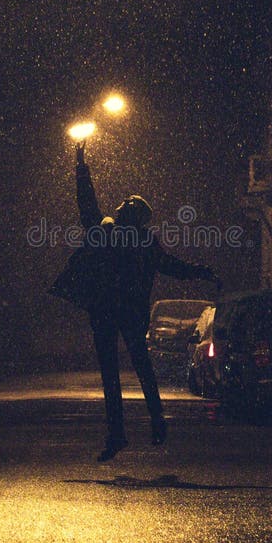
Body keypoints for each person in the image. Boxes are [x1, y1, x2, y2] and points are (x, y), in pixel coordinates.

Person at [73, 140, 218, 461]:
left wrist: (81, 167)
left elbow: (87, 207)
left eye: (126, 205)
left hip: (105, 312)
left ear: (132, 214)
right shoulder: (142, 240)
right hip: (130, 314)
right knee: (142, 368)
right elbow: (173, 267)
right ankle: (155, 423)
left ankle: (118, 433)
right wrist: (203, 272)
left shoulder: (106, 233)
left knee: (112, 374)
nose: (120, 206)